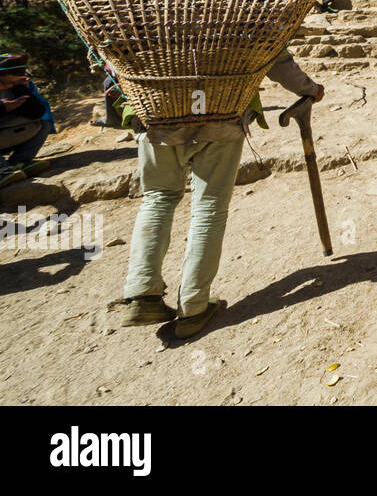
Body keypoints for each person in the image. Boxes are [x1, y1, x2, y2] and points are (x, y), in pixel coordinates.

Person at [121, 50, 325, 338]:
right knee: (209, 208)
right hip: (221, 115)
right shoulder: (235, 5)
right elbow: (274, 53)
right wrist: (309, 89)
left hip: (156, 112)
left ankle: (142, 293)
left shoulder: (142, 7)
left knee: (159, 198)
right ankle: (193, 307)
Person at [0, 54, 55, 181]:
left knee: (42, 124)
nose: (8, 86)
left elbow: (36, 113)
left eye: (12, 82)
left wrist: (19, 89)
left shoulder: (16, 87)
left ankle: (18, 163)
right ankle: (2, 171)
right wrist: (3, 107)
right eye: (5, 82)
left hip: (5, 135)